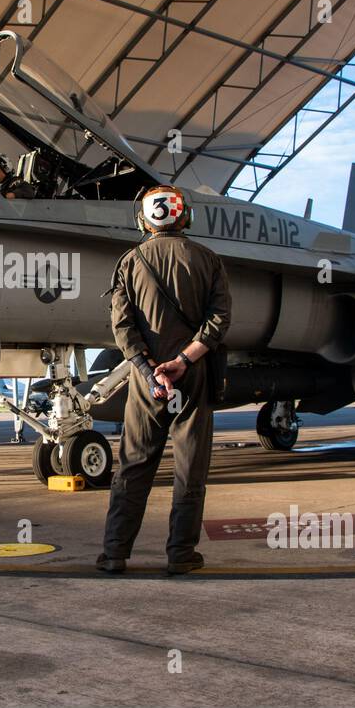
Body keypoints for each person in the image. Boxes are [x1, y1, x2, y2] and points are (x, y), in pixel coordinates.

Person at [97, 184, 231, 575]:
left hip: (146, 381)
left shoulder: (130, 261)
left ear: (144, 219)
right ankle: (180, 555)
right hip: (194, 375)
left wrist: (147, 369)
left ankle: (115, 553)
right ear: (183, 216)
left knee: (134, 465)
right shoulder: (207, 259)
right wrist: (184, 360)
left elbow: (122, 326)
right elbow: (220, 320)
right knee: (190, 469)